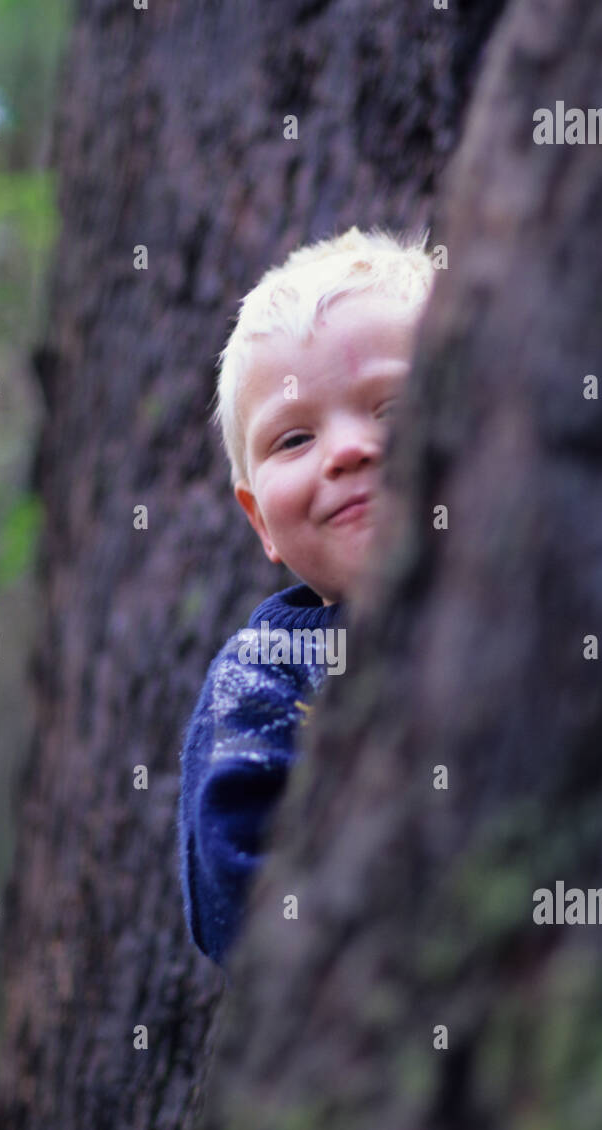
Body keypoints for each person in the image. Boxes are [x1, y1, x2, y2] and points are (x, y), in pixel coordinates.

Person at [177, 224, 435, 969]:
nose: (348, 449)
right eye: (292, 439)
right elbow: (235, 892)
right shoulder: (268, 673)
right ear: (259, 517)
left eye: (388, 408)